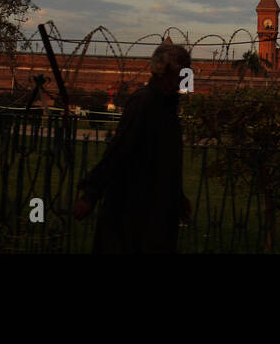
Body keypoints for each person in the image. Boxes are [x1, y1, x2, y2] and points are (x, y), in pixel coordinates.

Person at [72, 43, 192, 252]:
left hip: (156, 206)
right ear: (163, 72)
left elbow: (169, 160)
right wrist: (90, 195)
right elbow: (119, 150)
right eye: (180, 74)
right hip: (133, 206)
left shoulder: (167, 104)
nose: (183, 80)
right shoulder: (144, 102)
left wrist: (177, 197)